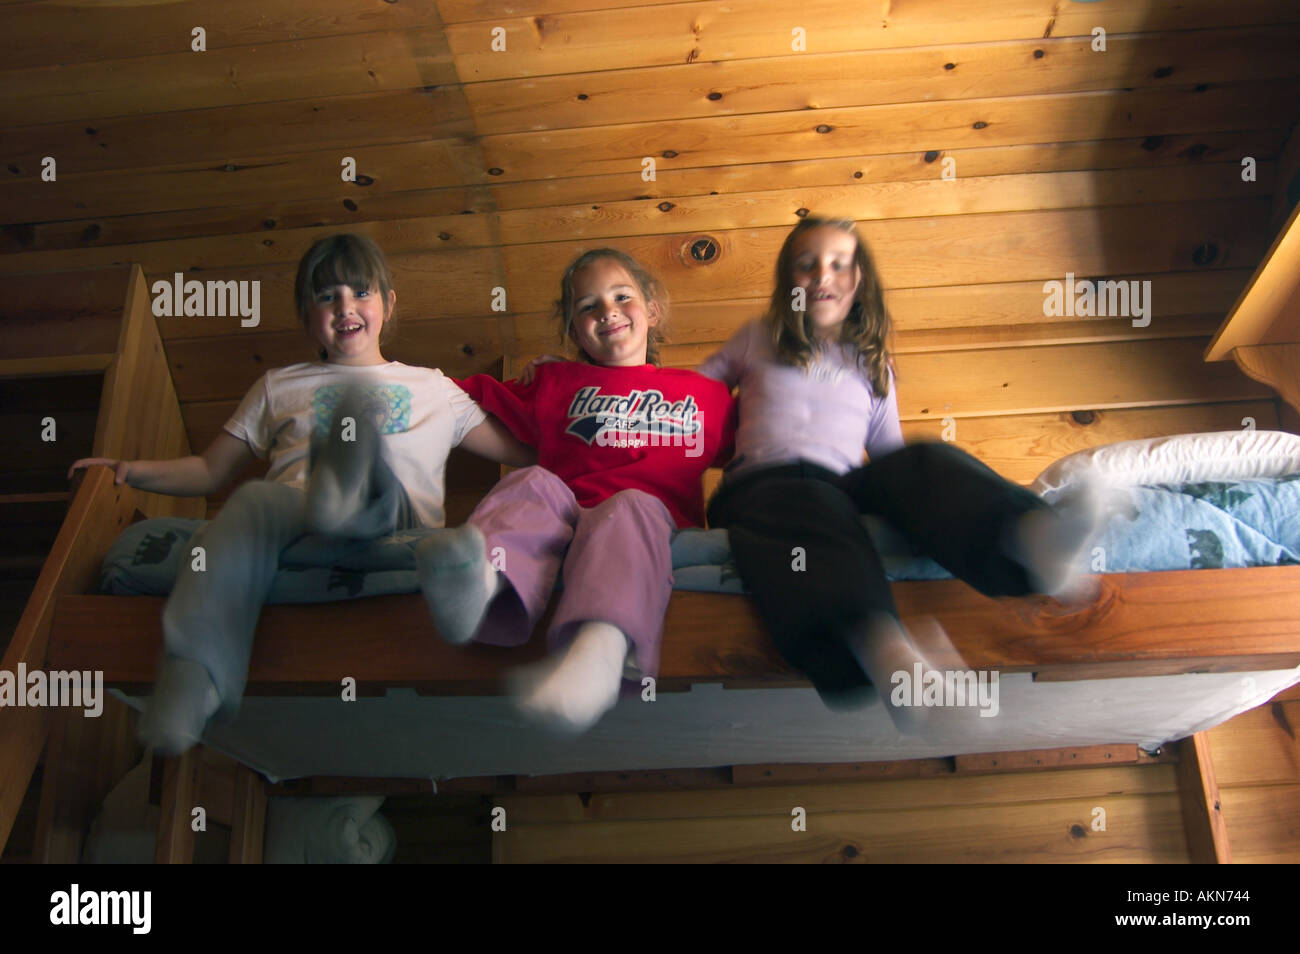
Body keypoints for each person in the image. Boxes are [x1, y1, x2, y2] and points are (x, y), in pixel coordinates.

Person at [69, 233, 534, 754]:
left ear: (389, 302)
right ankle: (196, 676)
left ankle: (357, 495)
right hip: (296, 526)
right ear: (305, 314)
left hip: (393, 527)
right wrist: (129, 470)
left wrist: (559, 397)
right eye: (327, 296)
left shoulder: (435, 388)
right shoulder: (278, 385)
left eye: (360, 293)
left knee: (369, 460)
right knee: (251, 501)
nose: (345, 307)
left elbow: (522, 452)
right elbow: (206, 470)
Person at [699, 217, 1100, 734]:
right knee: (810, 505)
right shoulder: (756, 337)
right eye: (807, 263)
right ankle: (891, 660)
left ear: (859, 281)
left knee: (924, 460)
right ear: (788, 281)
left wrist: (915, 494)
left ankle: (1029, 540)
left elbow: (891, 461)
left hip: (841, 484)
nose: (824, 273)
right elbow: (687, 400)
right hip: (762, 487)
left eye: (840, 263)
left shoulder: (872, 364)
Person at [415, 248, 735, 734]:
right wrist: (389, 383)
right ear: (573, 330)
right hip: (564, 512)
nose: (607, 311)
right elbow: (457, 397)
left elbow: (763, 443)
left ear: (651, 310)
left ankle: (598, 657)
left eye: (621, 296)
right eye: (587, 306)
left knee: (629, 505)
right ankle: (476, 586)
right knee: (529, 481)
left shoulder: (704, 393)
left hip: (647, 522)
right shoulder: (556, 381)